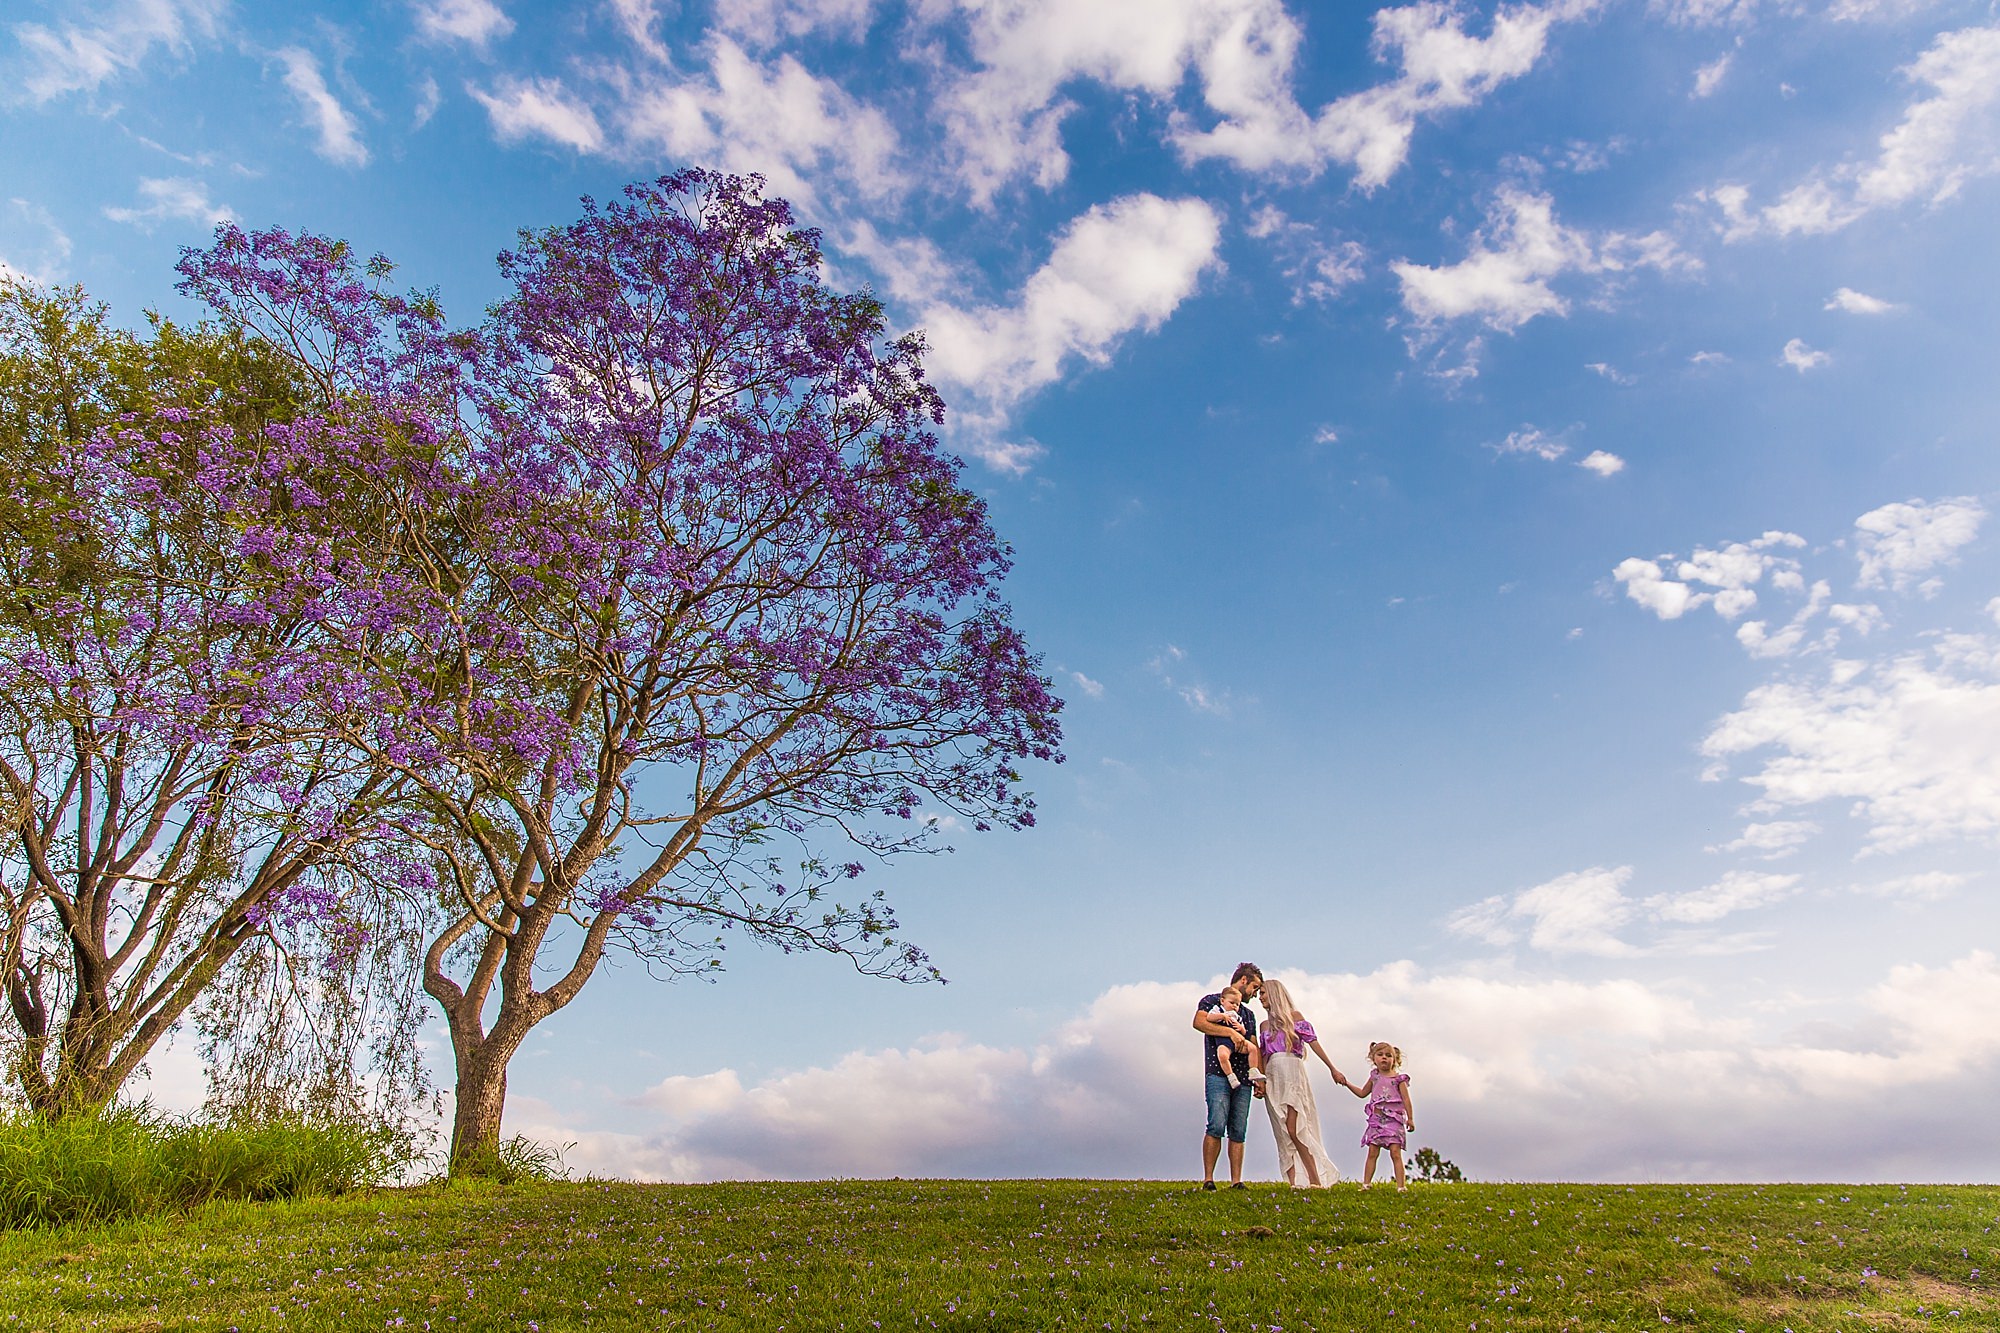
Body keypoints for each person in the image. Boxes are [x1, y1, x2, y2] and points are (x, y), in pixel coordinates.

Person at [1254, 978, 1343, 1188]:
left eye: (1264, 993)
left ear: (1274, 994)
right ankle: (1294, 1182)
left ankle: (1315, 1179)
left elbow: (1314, 1044)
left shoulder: (1295, 1018)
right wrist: (1262, 1081)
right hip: (1274, 1075)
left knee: (1296, 1128)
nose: (1261, 998)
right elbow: (1264, 1056)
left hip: (1292, 1073)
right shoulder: (1264, 1025)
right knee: (1282, 1131)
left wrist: (1332, 1068)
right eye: (1259, 994)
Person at [1192, 962, 1264, 1189]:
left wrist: (1259, 1077)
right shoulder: (1213, 1001)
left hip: (1244, 1076)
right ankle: (1209, 1179)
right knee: (1216, 1123)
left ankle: (1236, 1180)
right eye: (1254, 987)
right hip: (1217, 1072)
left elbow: (1254, 1043)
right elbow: (1199, 1022)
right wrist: (1231, 1033)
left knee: (1238, 1129)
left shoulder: (1248, 1014)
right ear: (1243, 981)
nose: (1255, 993)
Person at [1338, 1040, 1415, 1190]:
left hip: (1394, 1120)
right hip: (1377, 1120)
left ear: (1395, 1060)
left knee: (1395, 1152)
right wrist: (1347, 1083)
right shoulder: (1375, 1077)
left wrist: (1410, 1118)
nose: (1384, 1058)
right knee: (1373, 1151)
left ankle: (1401, 1186)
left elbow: (1406, 1099)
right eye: (1380, 1055)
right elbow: (1362, 1093)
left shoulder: (1399, 1080)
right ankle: (1366, 1184)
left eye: (1388, 1055)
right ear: (1374, 1059)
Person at [1209, 985, 1267, 1090]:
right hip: (1224, 1042)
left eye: (1237, 1004)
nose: (1235, 1006)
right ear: (1222, 1001)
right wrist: (1222, 1016)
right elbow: (1209, 1018)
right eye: (1232, 1003)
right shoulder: (1218, 1009)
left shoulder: (1237, 1016)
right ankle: (1230, 1075)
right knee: (1222, 1055)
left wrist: (1240, 1027)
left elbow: (1245, 1032)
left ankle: (1253, 1070)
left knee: (1253, 1048)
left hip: (1239, 1042)